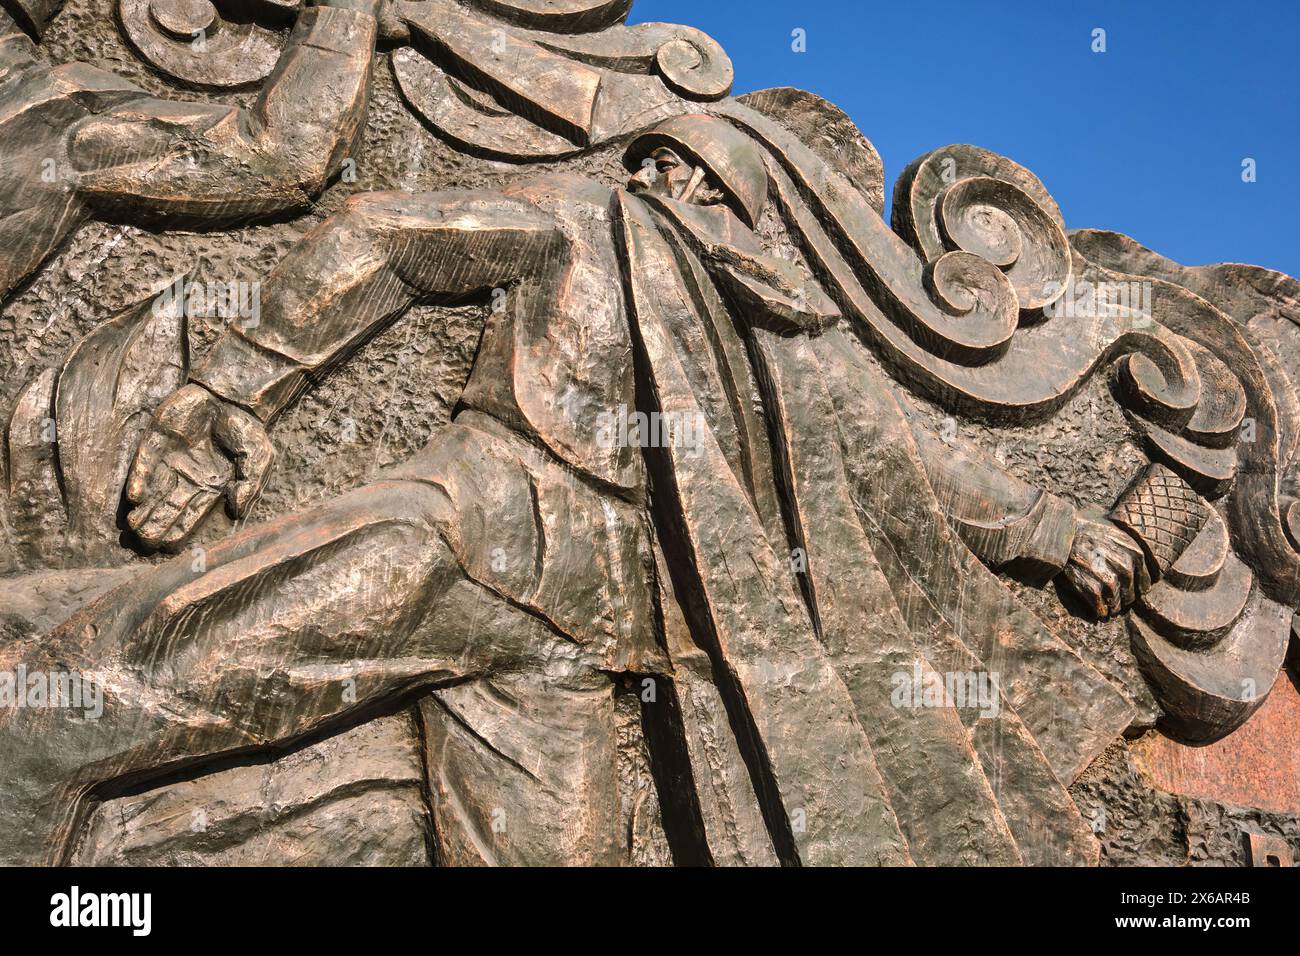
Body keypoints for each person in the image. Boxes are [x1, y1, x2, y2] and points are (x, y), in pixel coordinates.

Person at [0, 115, 1143, 866]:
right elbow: (391, 235)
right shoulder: (591, 224)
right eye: (655, 168)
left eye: (689, 178)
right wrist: (235, 396)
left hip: (572, 649)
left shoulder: (781, 346)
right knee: (105, 694)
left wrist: (1054, 525)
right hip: (456, 540)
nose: (660, 182)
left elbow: (902, 463)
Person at [0, 0, 380, 301]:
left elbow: (281, 160)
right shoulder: (55, 112)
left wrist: (344, 16)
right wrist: (346, 14)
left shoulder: (55, 114)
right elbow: (282, 159)